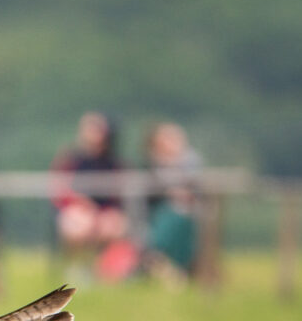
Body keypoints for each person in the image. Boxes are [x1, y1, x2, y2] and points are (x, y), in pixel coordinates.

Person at [52, 111, 133, 280]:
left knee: (112, 226)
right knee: (79, 226)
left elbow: (119, 194)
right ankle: (77, 267)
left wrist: (103, 212)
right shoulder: (70, 158)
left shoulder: (113, 162)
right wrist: (81, 203)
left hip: (105, 210)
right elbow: (59, 189)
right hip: (77, 209)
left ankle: (104, 269)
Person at [142, 120, 203, 281]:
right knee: (173, 218)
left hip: (187, 211)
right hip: (159, 212)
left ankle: (167, 263)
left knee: (182, 218)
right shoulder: (152, 163)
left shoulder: (190, 160)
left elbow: (192, 189)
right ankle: (163, 262)